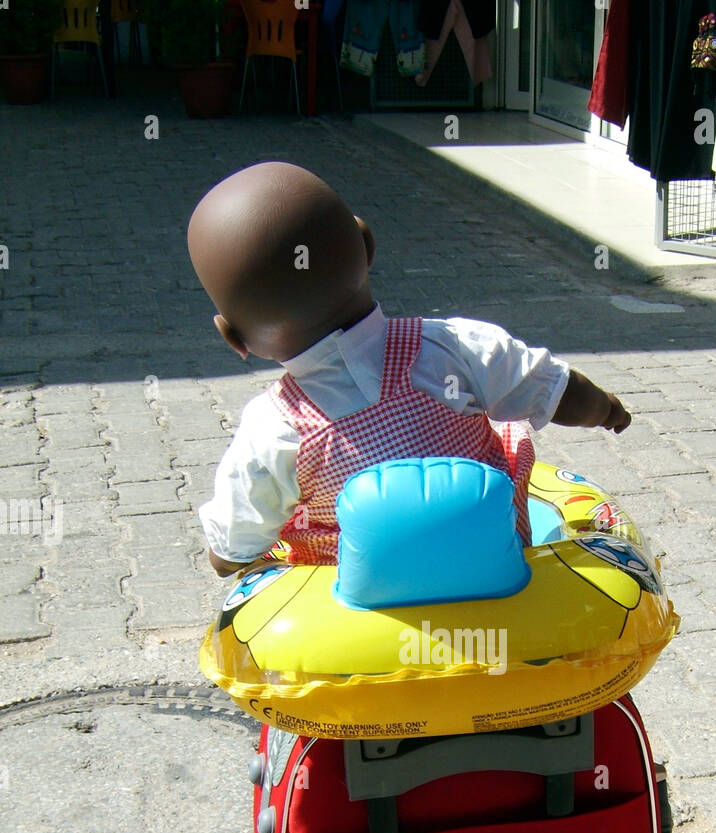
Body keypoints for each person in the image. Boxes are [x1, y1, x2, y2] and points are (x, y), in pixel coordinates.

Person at [189, 162, 631, 578]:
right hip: (490, 572)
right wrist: (606, 409)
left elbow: (234, 546)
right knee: (507, 442)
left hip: (362, 619)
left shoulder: (275, 427)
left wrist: (225, 557)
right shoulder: (453, 347)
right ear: (366, 244)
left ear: (237, 339)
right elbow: (556, 389)